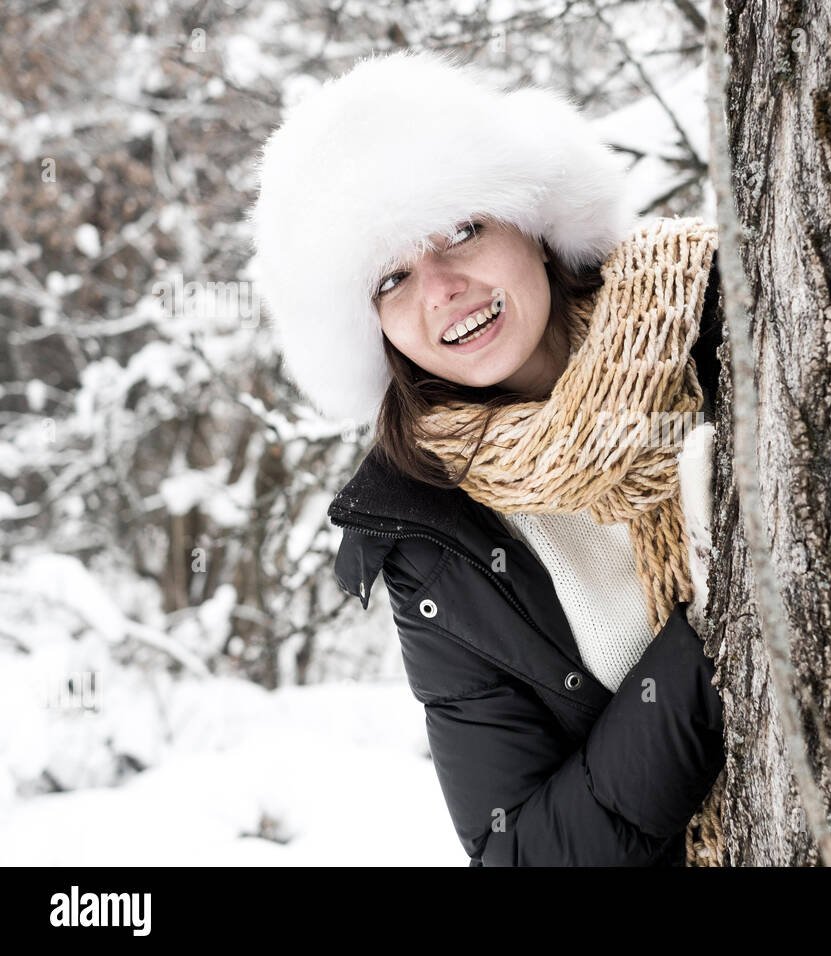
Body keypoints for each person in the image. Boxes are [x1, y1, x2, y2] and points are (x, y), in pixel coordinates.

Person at [246, 49, 727, 866]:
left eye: (462, 230)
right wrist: (711, 634)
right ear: (375, 329)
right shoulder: (431, 541)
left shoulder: (713, 309)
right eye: (392, 277)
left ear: (536, 228)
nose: (442, 289)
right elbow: (522, 850)